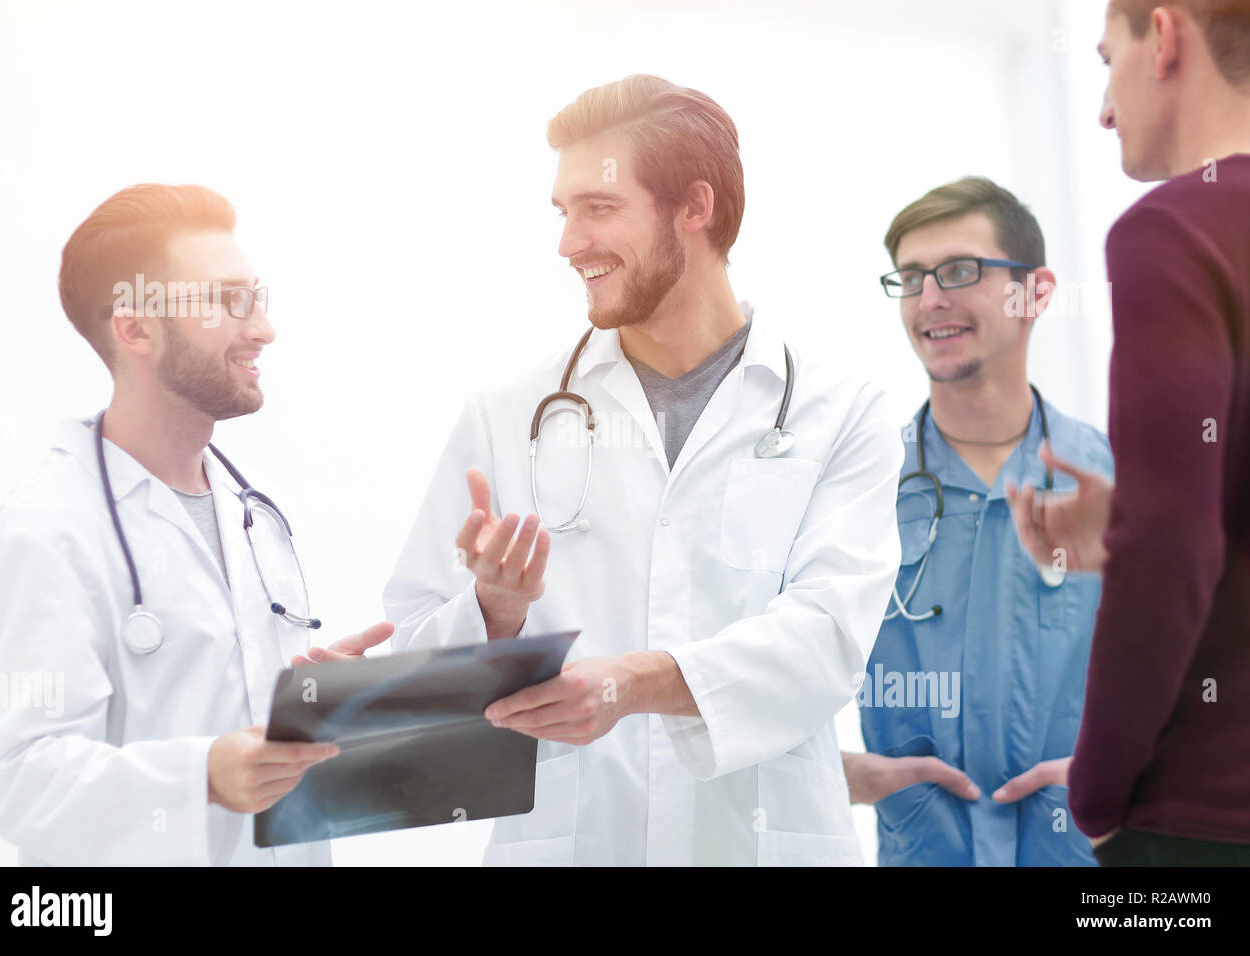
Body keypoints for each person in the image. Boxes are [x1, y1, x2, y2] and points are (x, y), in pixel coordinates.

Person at [374, 75, 903, 865]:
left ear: (694, 208)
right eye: (563, 212)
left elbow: (828, 638)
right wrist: (494, 611)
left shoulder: (841, 411)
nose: (567, 243)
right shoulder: (508, 414)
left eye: (598, 208)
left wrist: (640, 683)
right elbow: (407, 672)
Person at [0, 184, 392, 865]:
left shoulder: (255, 512)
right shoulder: (43, 531)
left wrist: (307, 697)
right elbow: (19, 783)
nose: (262, 328)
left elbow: (231, 708)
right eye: (228, 301)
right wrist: (199, 776)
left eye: (257, 297)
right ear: (135, 329)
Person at [1008, 0, 1250, 866]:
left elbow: (1175, 544)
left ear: (1164, 37)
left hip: (1201, 826)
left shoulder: (1176, 230)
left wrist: (1099, 793)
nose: (1105, 107)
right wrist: (1130, 517)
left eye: (1107, 59)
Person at [842, 177, 1113, 866]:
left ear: (1035, 292)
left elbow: (1211, 671)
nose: (929, 299)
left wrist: (1132, 772)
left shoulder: (1115, 481)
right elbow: (761, 654)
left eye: (959, 271)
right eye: (910, 277)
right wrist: (828, 770)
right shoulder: (860, 488)